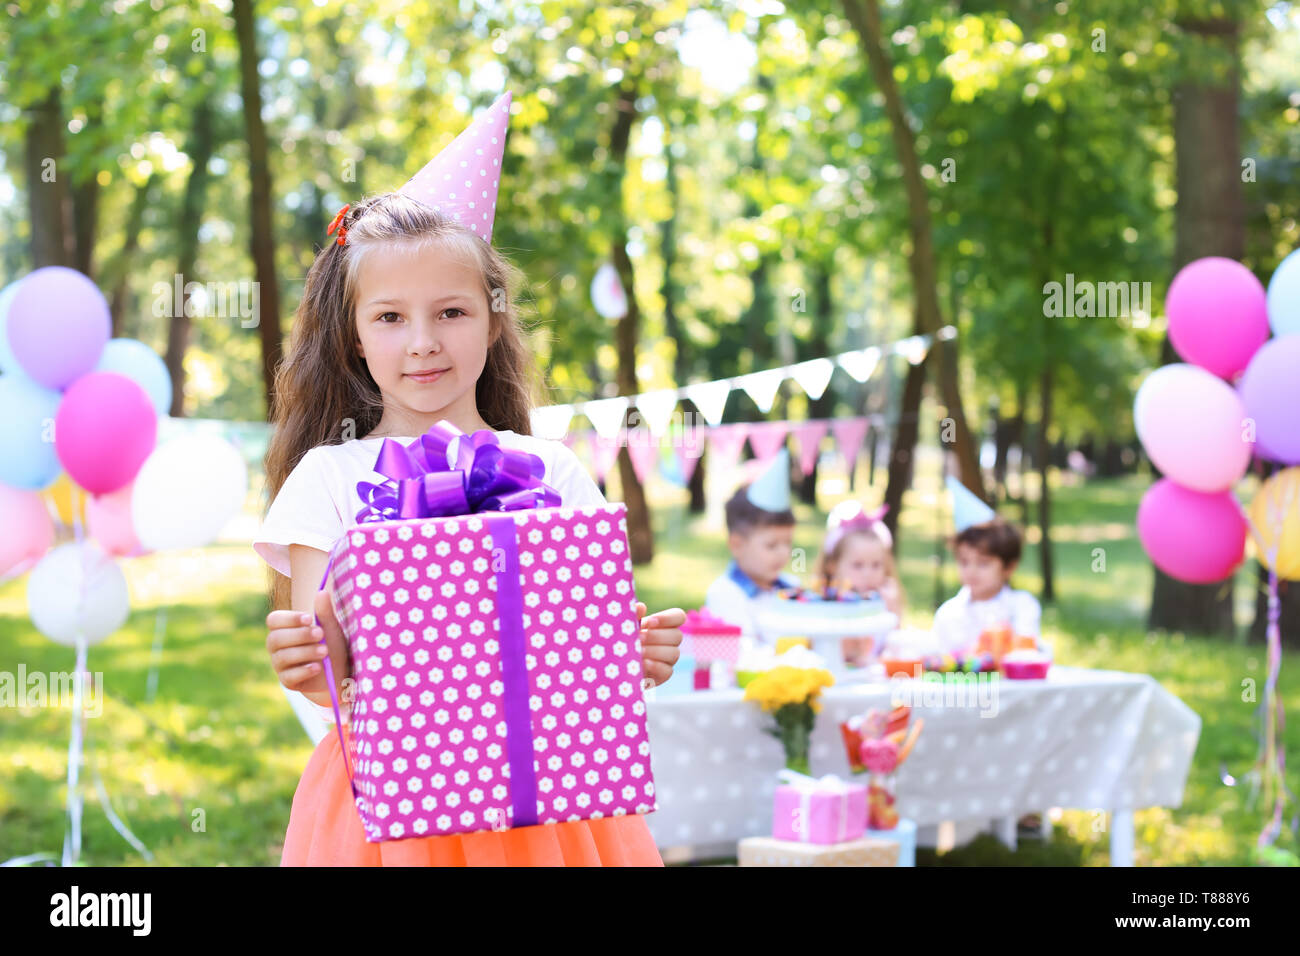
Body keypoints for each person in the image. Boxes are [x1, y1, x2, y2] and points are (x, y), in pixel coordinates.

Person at [253, 92, 682, 866]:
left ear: (492, 320)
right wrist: (310, 664)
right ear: (353, 337)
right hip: (386, 814)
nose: (422, 343)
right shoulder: (328, 480)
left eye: (450, 312)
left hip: (542, 803)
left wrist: (632, 661)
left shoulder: (551, 469)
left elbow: (579, 665)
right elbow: (335, 687)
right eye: (389, 318)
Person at [704, 449, 801, 643]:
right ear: (737, 544)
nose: (783, 553)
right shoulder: (725, 594)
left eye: (787, 543)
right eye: (772, 545)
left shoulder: (792, 589)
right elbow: (742, 656)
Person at [932, 517, 1042, 657]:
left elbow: (1026, 651)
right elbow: (939, 660)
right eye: (964, 562)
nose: (971, 571)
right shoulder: (948, 613)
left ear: (1009, 567)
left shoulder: (1021, 606)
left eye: (983, 563)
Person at [816, 501, 904, 666]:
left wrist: (894, 613)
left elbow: (894, 649)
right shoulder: (825, 605)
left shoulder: (885, 603)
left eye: (876, 565)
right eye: (857, 565)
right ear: (832, 566)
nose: (868, 574)